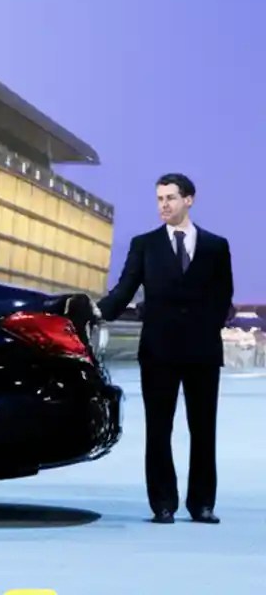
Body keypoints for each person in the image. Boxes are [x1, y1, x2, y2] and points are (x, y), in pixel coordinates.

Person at [96, 173, 234, 524]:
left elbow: (223, 297)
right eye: (159, 199)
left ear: (189, 200)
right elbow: (125, 288)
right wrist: (99, 312)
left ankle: (202, 504)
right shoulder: (145, 244)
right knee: (159, 430)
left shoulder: (216, 246)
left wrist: (207, 327)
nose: (164, 205)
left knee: (204, 430)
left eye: (170, 198)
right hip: (158, 351)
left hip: (202, 351)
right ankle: (163, 504)